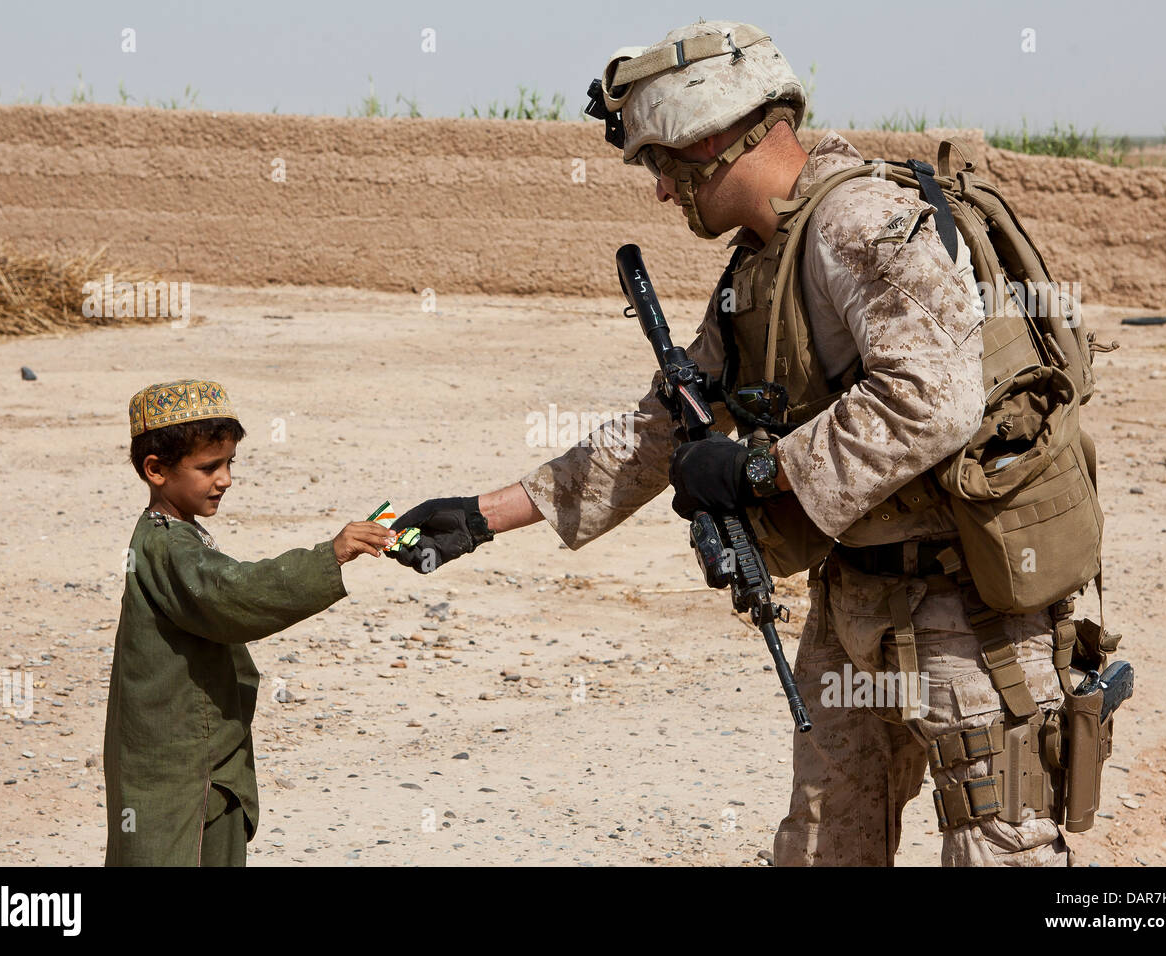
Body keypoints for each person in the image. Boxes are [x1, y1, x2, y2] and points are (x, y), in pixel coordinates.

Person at [389, 20, 1070, 866]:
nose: (663, 195)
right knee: (824, 844)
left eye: (664, 167)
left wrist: (759, 468)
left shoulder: (861, 222)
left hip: (966, 609)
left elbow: (931, 401)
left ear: (710, 138)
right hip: (858, 600)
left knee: (1000, 848)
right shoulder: (762, 262)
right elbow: (667, 425)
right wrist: (486, 515)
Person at [103, 379, 395, 866]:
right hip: (176, 759)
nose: (226, 480)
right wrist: (330, 555)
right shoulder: (168, 545)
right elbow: (232, 592)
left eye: (229, 463)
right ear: (156, 470)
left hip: (198, 751)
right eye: (208, 467)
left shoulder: (177, 533)